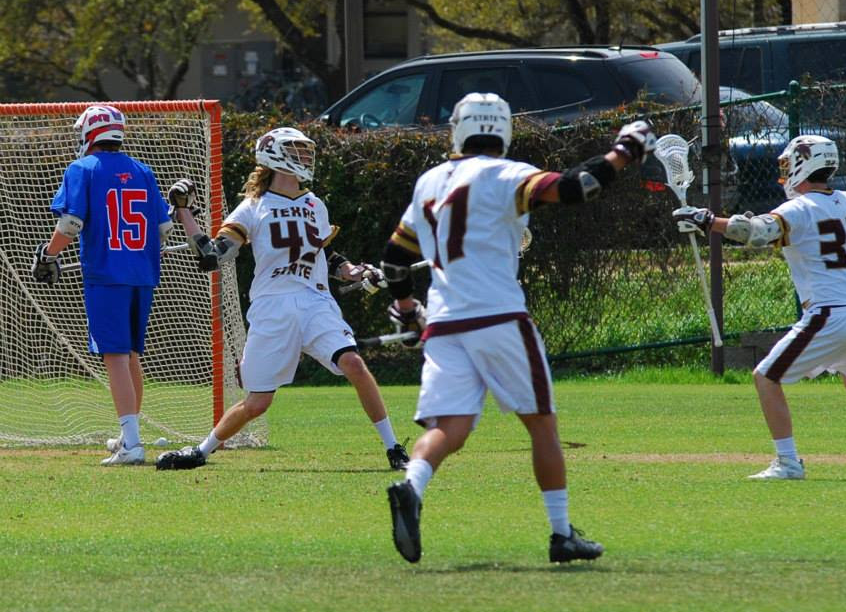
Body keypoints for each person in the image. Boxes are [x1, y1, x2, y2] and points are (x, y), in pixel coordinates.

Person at [380, 92, 656, 563]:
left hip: (444, 324)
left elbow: (394, 260)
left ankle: (413, 486)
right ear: (503, 130)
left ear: (458, 129)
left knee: (453, 427)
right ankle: (561, 532)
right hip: (499, 316)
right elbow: (578, 186)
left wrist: (408, 312)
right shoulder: (506, 172)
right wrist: (626, 150)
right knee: (541, 424)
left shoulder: (428, 181)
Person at [673, 135, 846, 480]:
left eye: (788, 164)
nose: (784, 172)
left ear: (802, 164)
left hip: (831, 312)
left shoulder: (799, 208)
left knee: (765, 377)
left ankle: (788, 462)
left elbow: (756, 231)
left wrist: (707, 221)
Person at [155, 127, 409, 471]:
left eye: (305, 151)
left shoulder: (314, 204)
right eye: (297, 151)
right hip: (272, 307)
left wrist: (354, 271)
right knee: (258, 403)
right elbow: (211, 258)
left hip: (314, 301)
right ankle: (200, 451)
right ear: (273, 156)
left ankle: (394, 448)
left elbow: (327, 256)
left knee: (354, 364)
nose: (305, 158)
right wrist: (184, 212)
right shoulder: (252, 208)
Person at [32, 104, 179, 466]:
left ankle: (131, 444)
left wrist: (48, 255)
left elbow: (70, 225)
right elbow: (164, 229)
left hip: (106, 273)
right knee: (129, 354)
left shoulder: (82, 168)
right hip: (142, 274)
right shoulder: (142, 170)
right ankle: (130, 436)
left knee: (114, 354)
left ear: (89, 133)